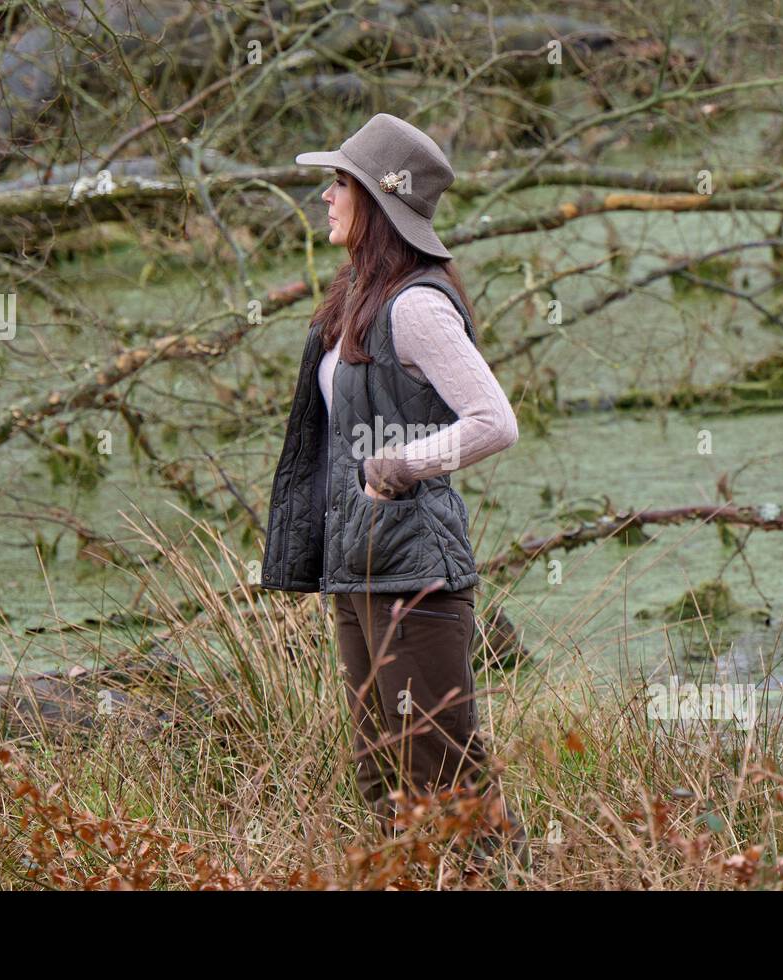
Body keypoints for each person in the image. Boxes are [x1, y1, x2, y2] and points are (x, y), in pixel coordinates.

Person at [259, 113, 528, 871]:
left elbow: (494, 421)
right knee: (383, 785)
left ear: (378, 198)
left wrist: (405, 463)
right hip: (357, 571)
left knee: (446, 788)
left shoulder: (415, 306)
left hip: (414, 576)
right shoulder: (355, 298)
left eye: (339, 182)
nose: (324, 196)